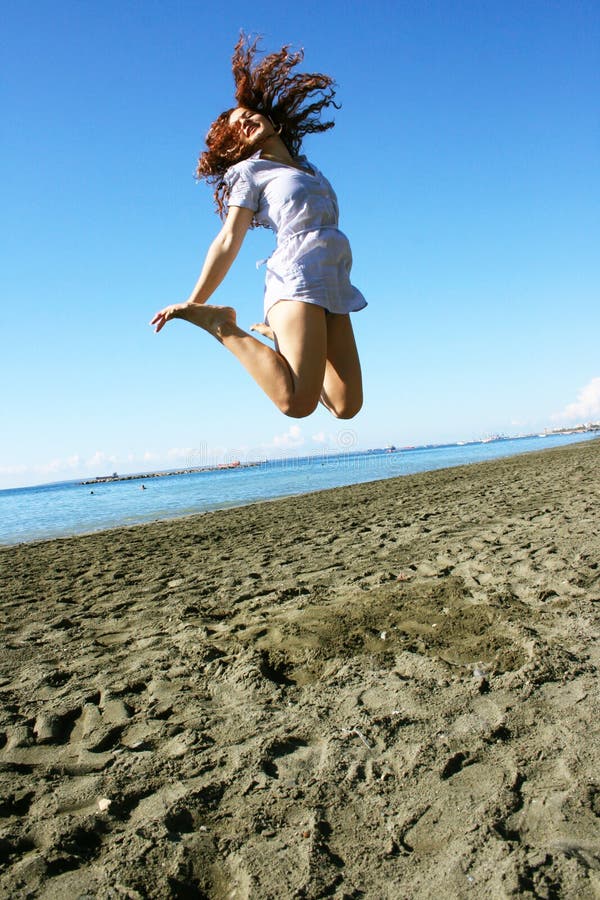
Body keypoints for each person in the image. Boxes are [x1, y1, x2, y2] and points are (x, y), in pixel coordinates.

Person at [150, 34, 366, 419]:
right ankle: (220, 324)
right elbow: (229, 238)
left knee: (347, 406)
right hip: (296, 276)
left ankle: (279, 338)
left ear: (269, 118)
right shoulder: (248, 172)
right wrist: (194, 301)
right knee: (296, 404)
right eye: (235, 128)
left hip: (334, 277)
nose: (244, 120)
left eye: (246, 114)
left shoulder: (308, 168)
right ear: (235, 148)